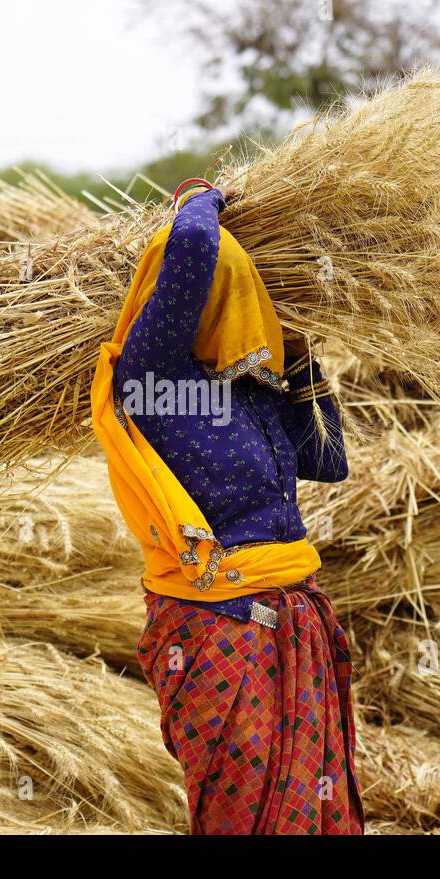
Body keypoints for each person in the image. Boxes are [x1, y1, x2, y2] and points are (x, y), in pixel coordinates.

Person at [89, 177, 365, 834]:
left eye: (249, 291)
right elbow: (188, 248)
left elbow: (330, 462)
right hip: (217, 630)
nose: (240, 303)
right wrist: (203, 197)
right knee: (242, 818)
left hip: (293, 625)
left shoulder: (253, 392)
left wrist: (299, 350)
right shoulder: (155, 379)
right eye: (232, 288)